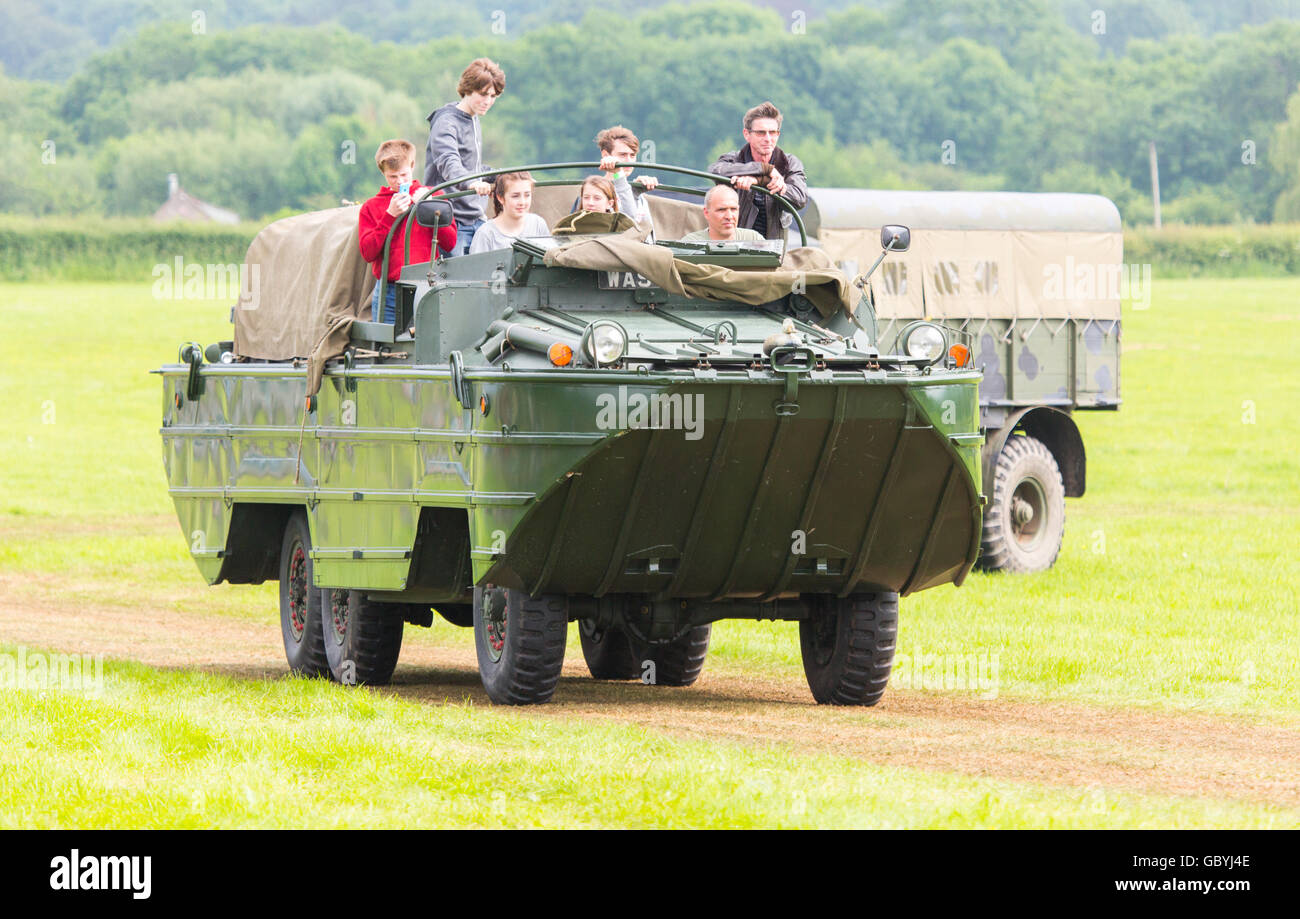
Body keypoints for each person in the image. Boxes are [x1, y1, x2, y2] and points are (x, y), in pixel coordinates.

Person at [358, 139, 457, 323]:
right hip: (390, 291)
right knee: (387, 348)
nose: (400, 182)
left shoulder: (434, 196)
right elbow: (368, 252)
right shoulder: (371, 207)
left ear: (412, 166)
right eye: (392, 177)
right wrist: (389, 216)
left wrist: (427, 207)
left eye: (404, 174)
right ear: (383, 174)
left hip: (427, 285)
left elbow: (450, 242)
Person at [423, 58, 505, 255]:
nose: (488, 101)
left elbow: (473, 167)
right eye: (483, 94)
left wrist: (505, 177)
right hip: (451, 222)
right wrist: (471, 184)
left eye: (493, 96)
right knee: (454, 283)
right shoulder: (446, 122)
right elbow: (449, 163)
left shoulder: (473, 118)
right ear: (467, 89)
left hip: (476, 219)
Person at [708, 101, 807, 240]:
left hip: (773, 249)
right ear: (747, 134)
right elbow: (716, 171)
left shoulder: (789, 163)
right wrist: (763, 168)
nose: (768, 139)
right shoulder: (734, 159)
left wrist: (761, 180)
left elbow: (800, 198)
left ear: (778, 134)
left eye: (772, 132)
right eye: (761, 133)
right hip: (735, 246)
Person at [595, 125, 658, 233]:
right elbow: (627, 224)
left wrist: (635, 192)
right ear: (605, 155)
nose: (629, 161)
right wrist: (617, 174)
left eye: (632, 155)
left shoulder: (638, 193)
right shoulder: (594, 192)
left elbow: (648, 236)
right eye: (623, 155)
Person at [468, 172, 550, 254]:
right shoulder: (485, 234)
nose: (522, 202)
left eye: (527, 195)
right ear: (500, 198)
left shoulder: (538, 224)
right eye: (515, 196)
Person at [681, 184, 765, 242]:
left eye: (733, 209)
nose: (729, 216)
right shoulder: (691, 244)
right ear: (706, 213)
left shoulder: (754, 240)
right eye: (721, 210)